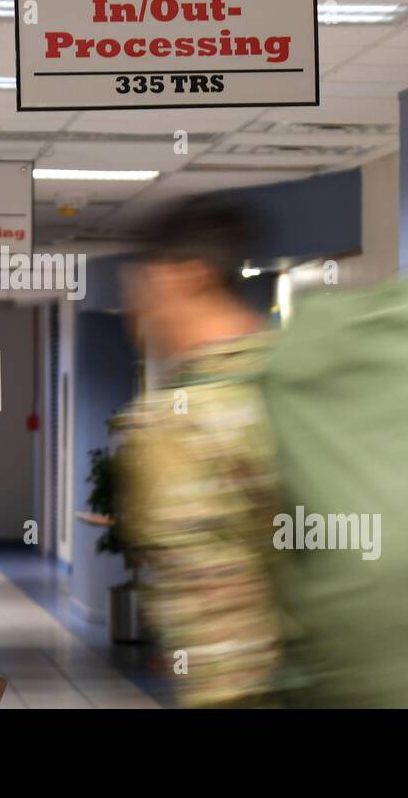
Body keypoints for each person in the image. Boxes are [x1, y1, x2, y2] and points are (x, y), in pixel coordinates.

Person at [116, 195, 283, 708]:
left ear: (186, 276)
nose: (135, 308)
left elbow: (201, 595)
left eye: (141, 286)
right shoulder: (304, 374)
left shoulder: (175, 421)